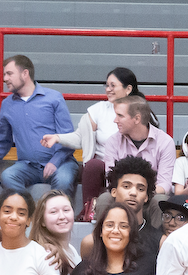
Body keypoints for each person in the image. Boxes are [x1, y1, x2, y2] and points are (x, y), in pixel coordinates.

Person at [44, 68, 149, 219]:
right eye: (106, 85)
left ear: (128, 89)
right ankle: (89, 209)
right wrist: (57, 138)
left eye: (113, 86)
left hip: (130, 163)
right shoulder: (98, 110)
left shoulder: (140, 112)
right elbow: (80, 137)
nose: (108, 89)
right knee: (93, 165)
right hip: (102, 165)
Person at [0, 55, 78, 200]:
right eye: (5, 74)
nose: (5, 79)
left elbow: (69, 138)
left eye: (9, 73)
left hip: (61, 163)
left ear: (25, 74)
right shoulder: (7, 105)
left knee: (63, 180)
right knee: (8, 176)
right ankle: (30, 212)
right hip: (29, 166)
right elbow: (2, 141)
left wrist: (54, 162)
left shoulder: (54, 98)